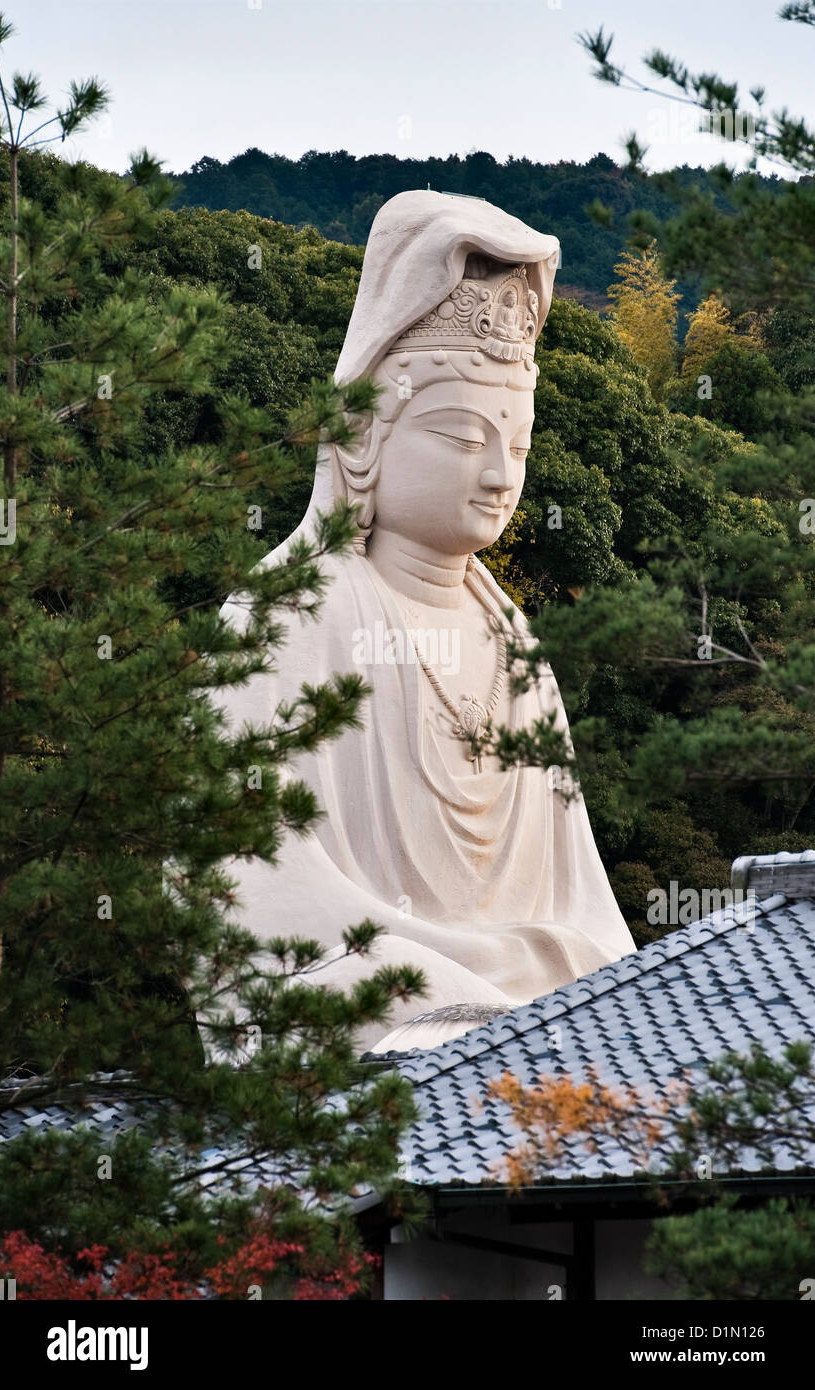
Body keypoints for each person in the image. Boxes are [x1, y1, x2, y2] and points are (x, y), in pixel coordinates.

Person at [213, 191, 636, 1054]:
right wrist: (455, 967)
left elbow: (582, 902)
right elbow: (244, 892)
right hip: (384, 999)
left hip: (531, 994)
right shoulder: (290, 611)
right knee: (402, 1006)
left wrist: (579, 978)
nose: (496, 475)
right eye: (460, 436)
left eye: (515, 446)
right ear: (365, 436)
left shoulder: (513, 640)